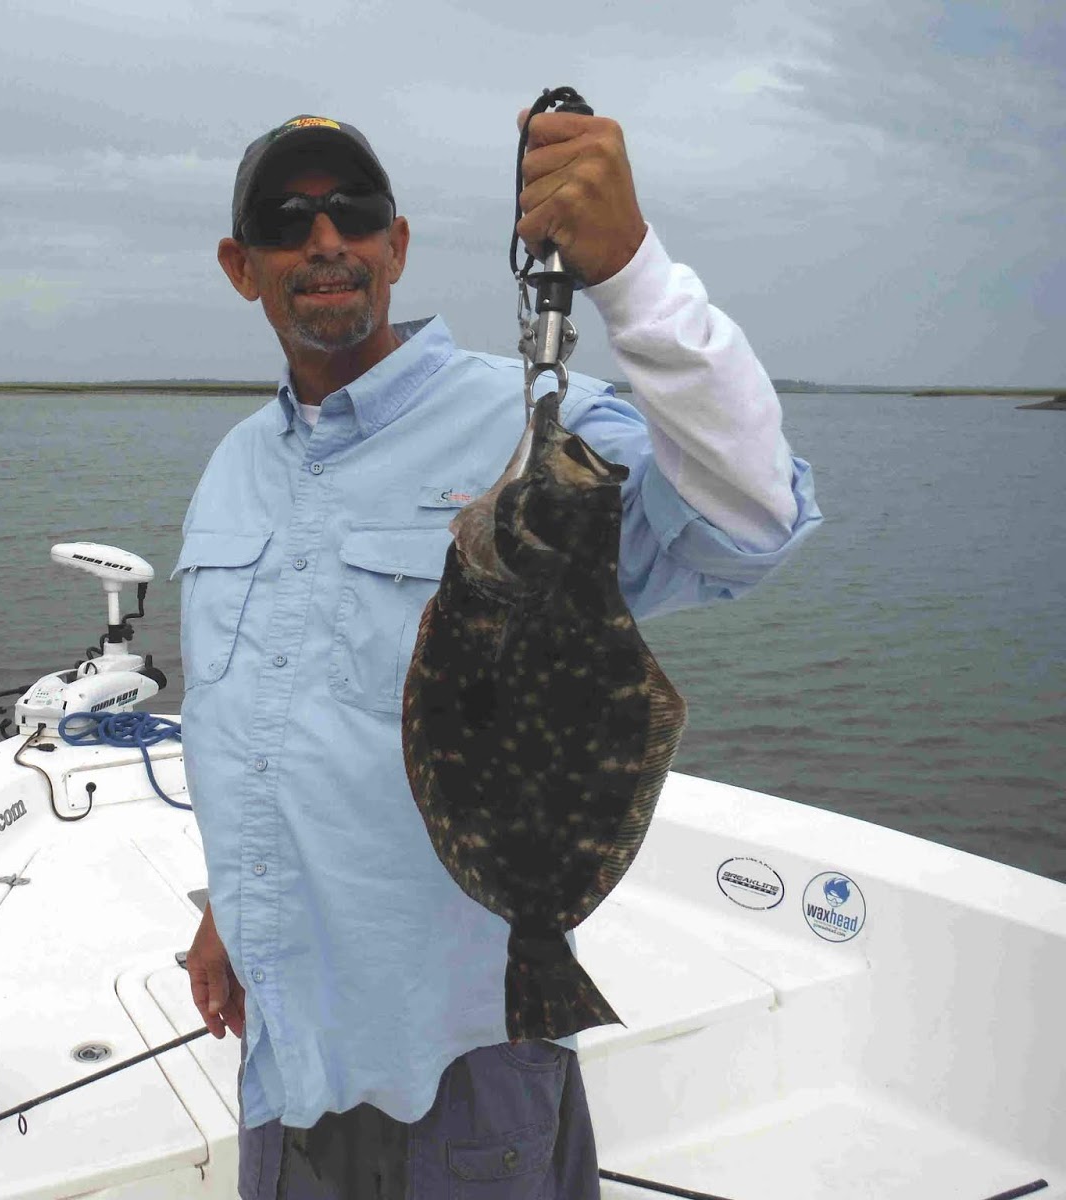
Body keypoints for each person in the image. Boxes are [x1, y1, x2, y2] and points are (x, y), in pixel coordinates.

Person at [176, 112, 821, 1199]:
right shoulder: (233, 467)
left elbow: (750, 520)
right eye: (286, 221)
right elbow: (252, 727)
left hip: (466, 1055)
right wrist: (226, 910)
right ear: (243, 268)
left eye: (356, 212)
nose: (325, 236)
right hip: (285, 1049)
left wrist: (630, 275)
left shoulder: (525, 425)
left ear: (399, 244)